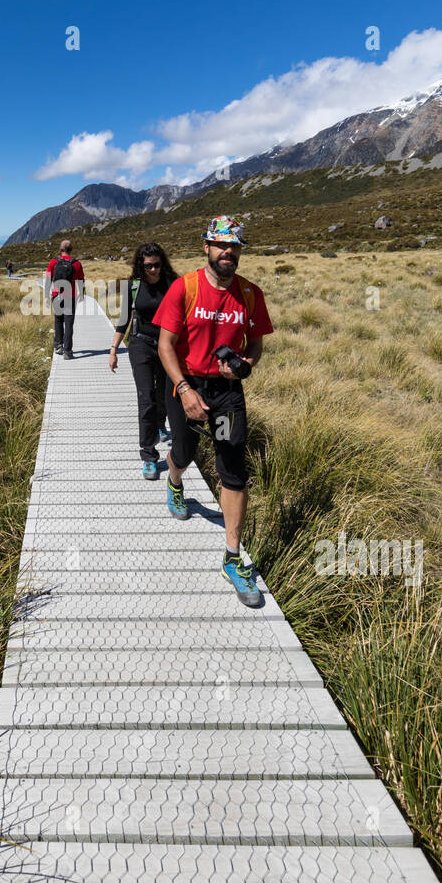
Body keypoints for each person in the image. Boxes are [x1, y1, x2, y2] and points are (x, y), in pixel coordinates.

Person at [153, 215, 274, 607]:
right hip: (187, 384)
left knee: (233, 469)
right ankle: (174, 480)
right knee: (185, 452)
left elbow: (255, 345)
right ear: (206, 246)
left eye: (234, 246)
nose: (228, 252)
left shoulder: (250, 295)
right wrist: (185, 389)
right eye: (221, 245)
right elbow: (165, 346)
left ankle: (233, 558)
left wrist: (245, 366)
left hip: (226, 392)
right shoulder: (184, 288)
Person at [109, 242, 177, 480]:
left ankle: (160, 425)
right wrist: (113, 349)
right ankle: (149, 455)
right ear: (140, 265)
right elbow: (124, 318)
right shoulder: (133, 286)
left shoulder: (173, 283)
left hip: (168, 345)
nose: (153, 270)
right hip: (141, 343)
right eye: (148, 266)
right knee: (146, 397)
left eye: (157, 265)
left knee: (166, 396)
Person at [44, 239, 84, 358]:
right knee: (69, 323)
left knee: (58, 321)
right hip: (70, 297)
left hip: (56, 295)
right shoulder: (76, 264)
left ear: (60, 249)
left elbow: (48, 279)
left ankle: (58, 346)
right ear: (71, 250)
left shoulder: (54, 262)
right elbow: (81, 280)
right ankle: (67, 351)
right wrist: (81, 294)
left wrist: (46, 296)